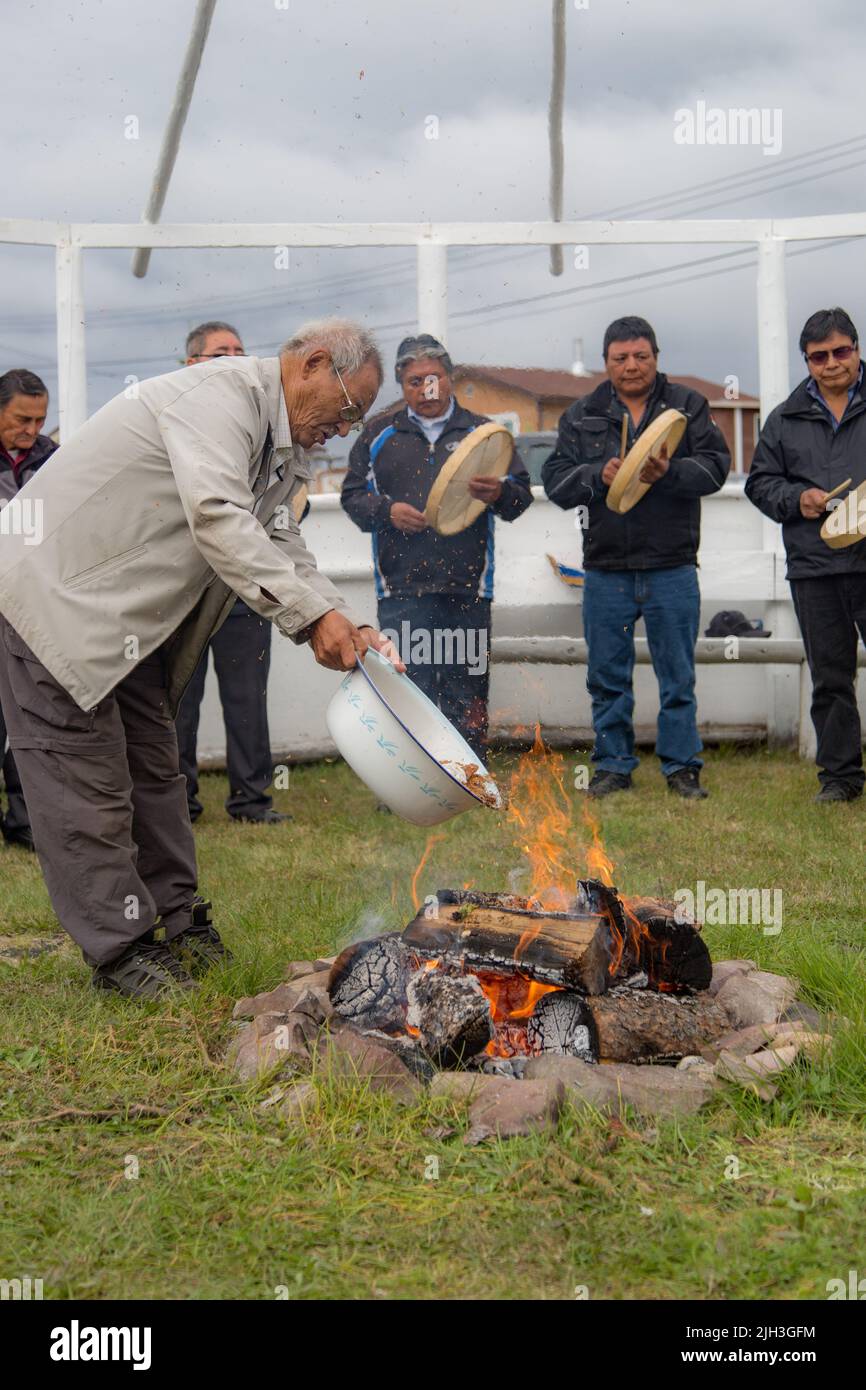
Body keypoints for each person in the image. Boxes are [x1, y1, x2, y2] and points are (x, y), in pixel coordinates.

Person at [0, 318, 402, 999]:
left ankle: (178, 921)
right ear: (309, 364)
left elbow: (279, 535)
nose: (346, 427)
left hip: (127, 621)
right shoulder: (218, 398)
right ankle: (122, 949)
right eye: (348, 409)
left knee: (155, 770)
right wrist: (311, 621)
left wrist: (341, 615)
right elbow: (218, 515)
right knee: (86, 783)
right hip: (55, 601)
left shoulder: (281, 440)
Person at [542, 315, 730, 799]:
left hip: (673, 565)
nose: (631, 366)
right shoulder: (581, 414)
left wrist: (668, 472)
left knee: (678, 675)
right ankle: (612, 766)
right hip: (606, 568)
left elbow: (715, 469)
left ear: (656, 357)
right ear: (606, 363)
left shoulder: (688, 406)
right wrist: (594, 476)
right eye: (620, 358)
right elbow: (557, 480)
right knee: (606, 676)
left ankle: (682, 768)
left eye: (640, 356)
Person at [341, 333, 532, 758]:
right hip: (401, 589)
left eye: (434, 378)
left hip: (468, 587)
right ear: (401, 384)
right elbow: (351, 498)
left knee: (468, 687)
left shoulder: (484, 434)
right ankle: (411, 780)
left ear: (450, 379)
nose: (426, 388)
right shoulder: (378, 434)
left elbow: (520, 498)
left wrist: (498, 493)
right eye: (414, 381)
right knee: (408, 686)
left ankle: (470, 779)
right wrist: (386, 511)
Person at [746, 306, 866, 802]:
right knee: (830, 678)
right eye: (820, 356)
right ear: (807, 361)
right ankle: (840, 779)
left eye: (842, 351)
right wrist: (798, 500)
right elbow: (759, 484)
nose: (832, 363)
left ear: (857, 350)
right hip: (814, 568)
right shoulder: (784, 418)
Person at [175, 320, 286, 825]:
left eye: (242, 350)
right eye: (223, 351)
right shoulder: (173, 416)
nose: (237, 357)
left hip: (245, 592)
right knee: (178, 704)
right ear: (191, 363)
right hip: (183, 592)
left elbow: (284, 494)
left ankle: (252, 801)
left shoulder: (263, 423)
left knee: (248, 701)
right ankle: (178, 802)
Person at [0, 368, 58, 850]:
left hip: (29, 606)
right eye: (22, 418)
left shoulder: (54, 459)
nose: (32, 430)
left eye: (40, 419)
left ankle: (24, 823)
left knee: (27, 717)